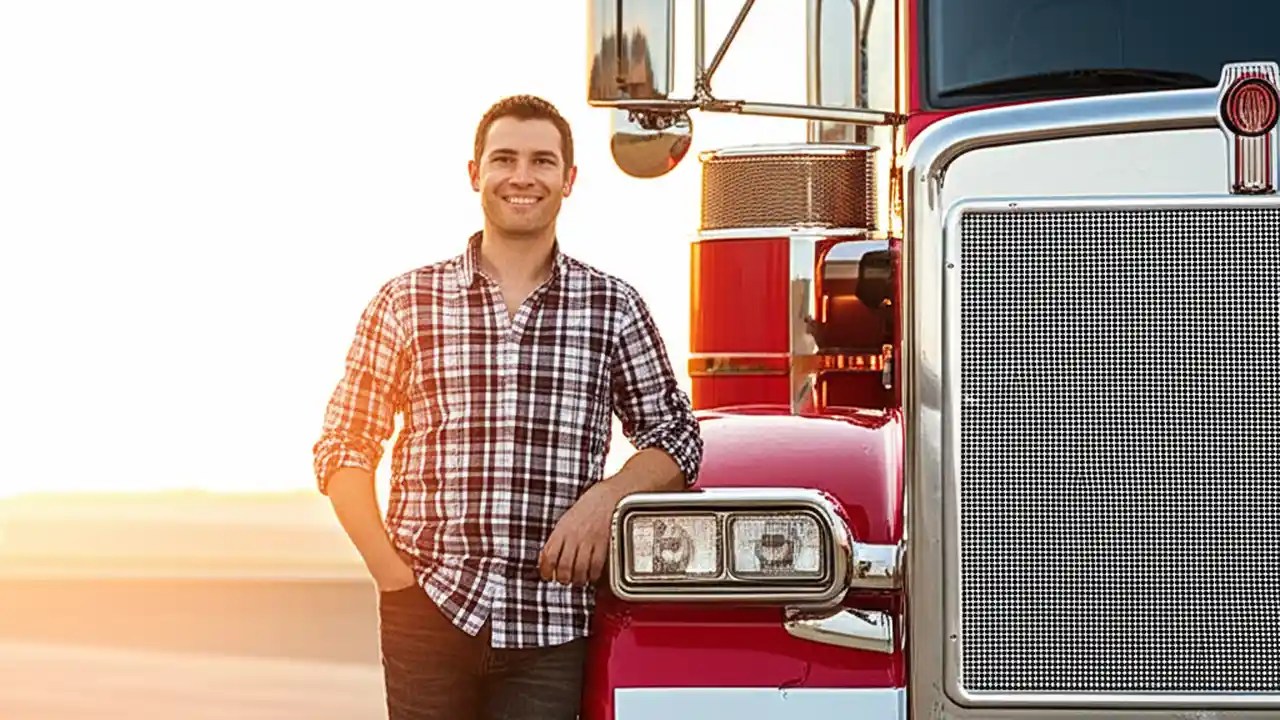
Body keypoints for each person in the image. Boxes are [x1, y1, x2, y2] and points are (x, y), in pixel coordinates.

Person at [311, 94, 703, 720]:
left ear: (569, 180)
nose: (523, 176)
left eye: (543, 161)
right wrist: (391, 577)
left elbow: (677, 436)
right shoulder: (407, 301)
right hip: (428, 612)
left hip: (552, 625)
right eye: (505, 159)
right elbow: (343, 446)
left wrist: (607, 500)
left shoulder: (613, 306)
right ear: (475, 174)